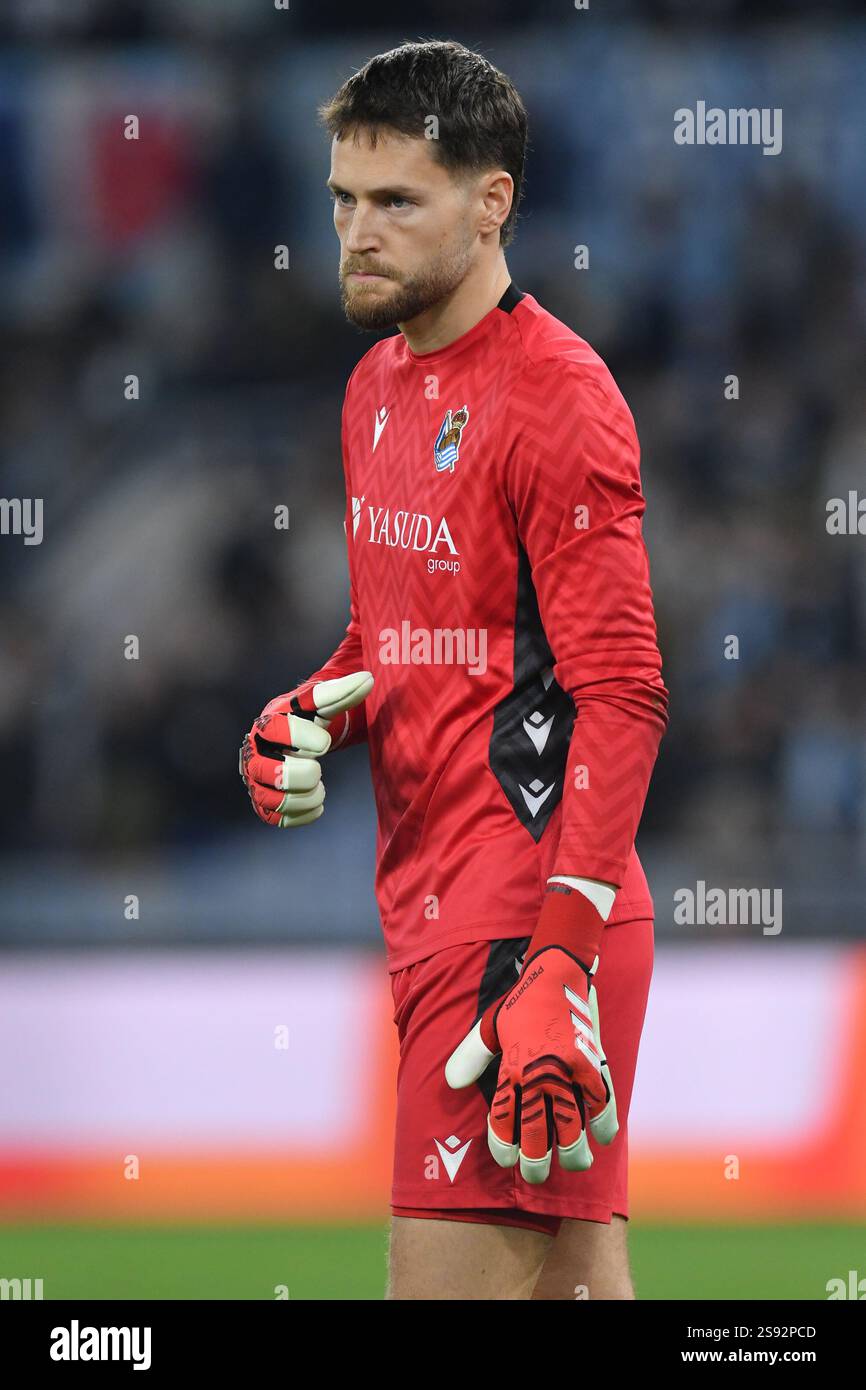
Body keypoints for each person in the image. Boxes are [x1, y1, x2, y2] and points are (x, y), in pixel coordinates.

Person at [240, 39, 668, 1300]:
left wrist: (556, 965)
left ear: (492, 204)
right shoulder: (372, 389)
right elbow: (402, 638)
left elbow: (623, 690)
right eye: (339, 200)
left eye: (394, 202)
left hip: (520, 924)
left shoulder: (561, 396)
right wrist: (304, 712)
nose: (353, 234)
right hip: (436, 914)